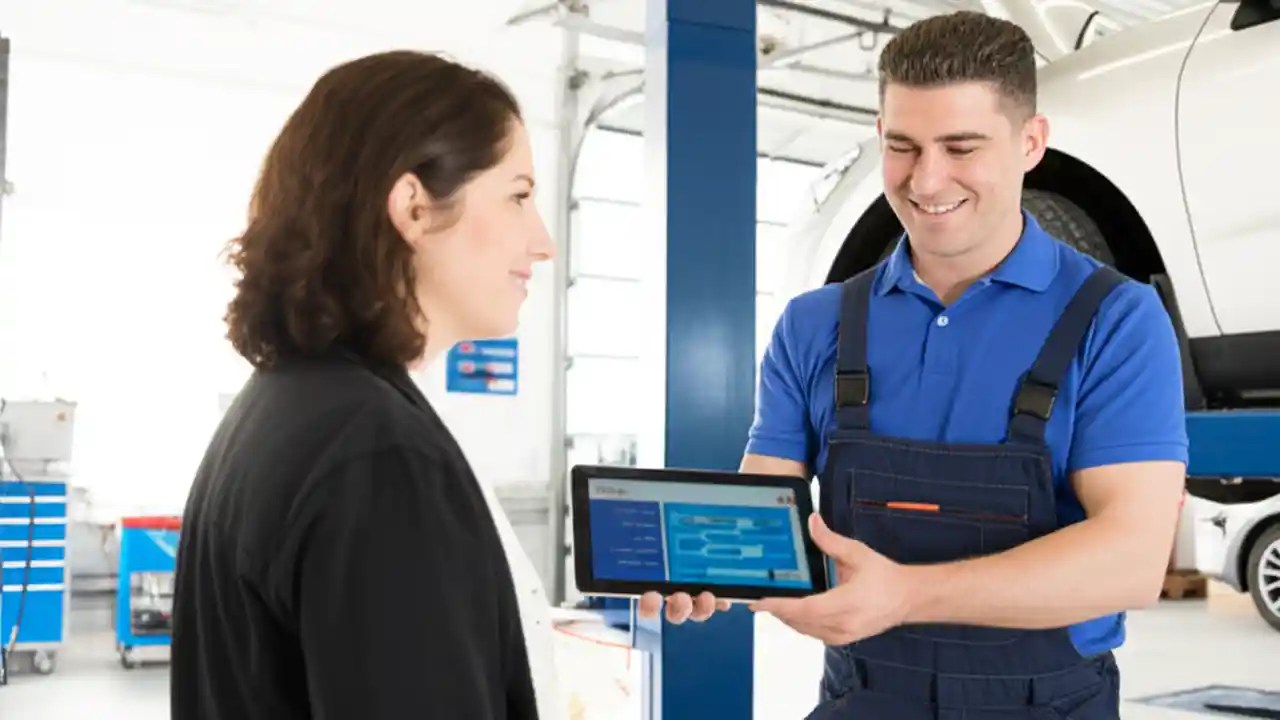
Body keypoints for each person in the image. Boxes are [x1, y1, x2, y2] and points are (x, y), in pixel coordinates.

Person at [639, 11, 1187, 719]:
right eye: (902, 146)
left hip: (1042, 704)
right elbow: (766, 516)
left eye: (961, 147)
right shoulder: (816, 324)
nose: (927, 180)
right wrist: (705, 568)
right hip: (863, 698)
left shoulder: (1116, 320)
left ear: (1031, 143)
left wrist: (906, 594)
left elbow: (1132, 559)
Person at [170, 51, 563, 720]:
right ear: (413, 206)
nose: (543, 241)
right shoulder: (378, 458)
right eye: (519, 197)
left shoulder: (289, 404)